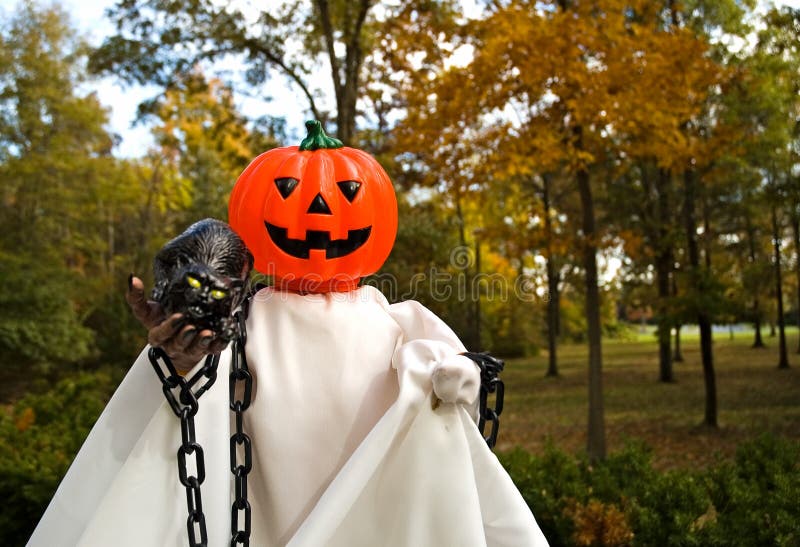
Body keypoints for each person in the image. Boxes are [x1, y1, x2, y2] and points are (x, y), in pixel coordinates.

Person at [28, 121, 547, 546]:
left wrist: (454, 375)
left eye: (348, 194)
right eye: (288, 191)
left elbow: (448, 380)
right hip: (257, 516)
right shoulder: (242, 326)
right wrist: (182, 357)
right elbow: (187, 410)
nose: (321, 212)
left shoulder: (394, 320)